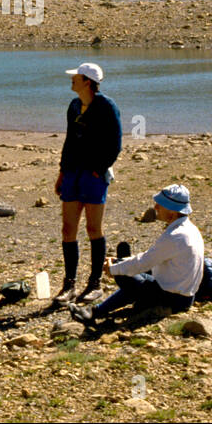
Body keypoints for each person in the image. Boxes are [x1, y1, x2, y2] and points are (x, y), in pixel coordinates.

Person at [69, 184, 203, 327]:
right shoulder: (189, 230)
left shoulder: (175, 236)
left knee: (125, 276)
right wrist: (118, 262)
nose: (156, 207)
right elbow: (151, 259)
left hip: (172, 298)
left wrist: (113, 269)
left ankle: (96, 312)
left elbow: (144, 262)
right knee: (129, 272)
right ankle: (95, 311)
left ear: (172, 212)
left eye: (161, 205)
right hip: (180, 293)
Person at [53, 61, 121, 306]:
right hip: (72, 173)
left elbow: (115, 143)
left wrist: (98, 169)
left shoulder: (107, 106)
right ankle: (69, 283)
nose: (72, 80)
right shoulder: (73, 106)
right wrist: (62, 172)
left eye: (76, 77)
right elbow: (69, 140)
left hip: (93, 176)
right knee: (67, 229)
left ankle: (94, 283)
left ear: (88, 82)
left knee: (94, 228)